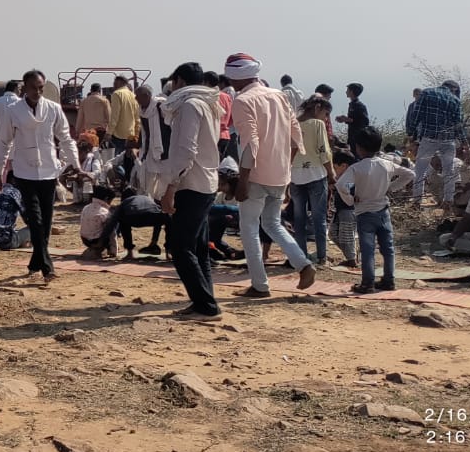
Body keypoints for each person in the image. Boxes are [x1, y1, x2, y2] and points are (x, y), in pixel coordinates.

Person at [223, 53, 317, 298]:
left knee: (250, 228)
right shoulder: (278, 96)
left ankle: (260, 285)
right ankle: (303, 264)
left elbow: (250, 144)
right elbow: (296, 137)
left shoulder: (243, 101)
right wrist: (285, 170)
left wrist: (243, 181)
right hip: (280, 174)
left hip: (255, 175)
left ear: (234, 78)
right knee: (273, 224)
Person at [143, 62, 225, 319]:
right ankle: (204, 300)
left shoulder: (190, 105)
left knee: (178, 246)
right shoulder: (209, 104)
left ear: (178, 81)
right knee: (197, 247)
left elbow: (185, 153)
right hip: (206, 182)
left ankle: (206, 305)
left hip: (190, 184)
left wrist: (170, 189)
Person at [0, 69, 80, 283]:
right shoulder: (13, 111)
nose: (38, 92)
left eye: (41, 88)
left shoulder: (53, 109)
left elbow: (65, 138)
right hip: (24, 171)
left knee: (46, 221)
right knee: (35, 218)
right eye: (34, 88)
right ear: (24, 88)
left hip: (49, 171)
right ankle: (48, 267)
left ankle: (35, 263)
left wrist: (76, 164)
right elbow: (3, 142)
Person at [334, 127, 415, 294]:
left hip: (365, 212)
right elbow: (409, 174)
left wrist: (350, 199)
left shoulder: (356, 168)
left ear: (359, 148)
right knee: (388, 248)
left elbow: (341, 185)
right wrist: (392, 187)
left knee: (367, 249)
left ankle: (367, 282)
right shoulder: (386, 164)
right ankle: (389, 280)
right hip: (383, 210)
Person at [290, 97, 336, 264]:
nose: (326, 118)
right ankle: (322, 256)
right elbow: (323, 150)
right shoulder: (318, 125)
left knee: (299, 219)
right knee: (319, 218)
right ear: (318, 108)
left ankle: (301, 255)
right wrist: (331, 172)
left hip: (295, 175)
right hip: (316, 174)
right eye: (326, 113)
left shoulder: (293, 122)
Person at [406, 81, 467, 207]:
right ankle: (448, 200)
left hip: (429, 138)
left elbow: (416, 115)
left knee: (420, 170)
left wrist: (411, 132)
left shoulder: (427, 93)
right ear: (454, 89)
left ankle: (417, 200)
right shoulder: (455, 100)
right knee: (449, 171)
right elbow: (459, 124)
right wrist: (464, 141)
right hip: (448, 140)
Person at [113, 188, 169, 259]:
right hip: (154, 217)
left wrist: (102, 240)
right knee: (166, 221)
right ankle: (167, 252)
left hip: (134, 218)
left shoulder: (125, 202)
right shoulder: (148, 198)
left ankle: (130, 253)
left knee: (123, 222)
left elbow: (112, 223)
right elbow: (159, 210)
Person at [78, 185, 118, 260]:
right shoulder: (104, 212)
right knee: (113, 224)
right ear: (106, 199)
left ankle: (93, 248)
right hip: (97, 241)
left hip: (85, 240)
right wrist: (114, 251)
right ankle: (109, 250)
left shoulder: (86, 207)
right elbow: (112, 232)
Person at [107, 76, 139, 154]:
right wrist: (136, 133)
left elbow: (114, 116)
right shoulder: (133, 95)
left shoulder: (116, 94)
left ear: (119, 82)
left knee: (116, 162)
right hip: (131, 135)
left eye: (114, 83)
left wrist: (109, 133)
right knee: (127, 161)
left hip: (118, 135)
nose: (113, 85)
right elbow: (137, 117)